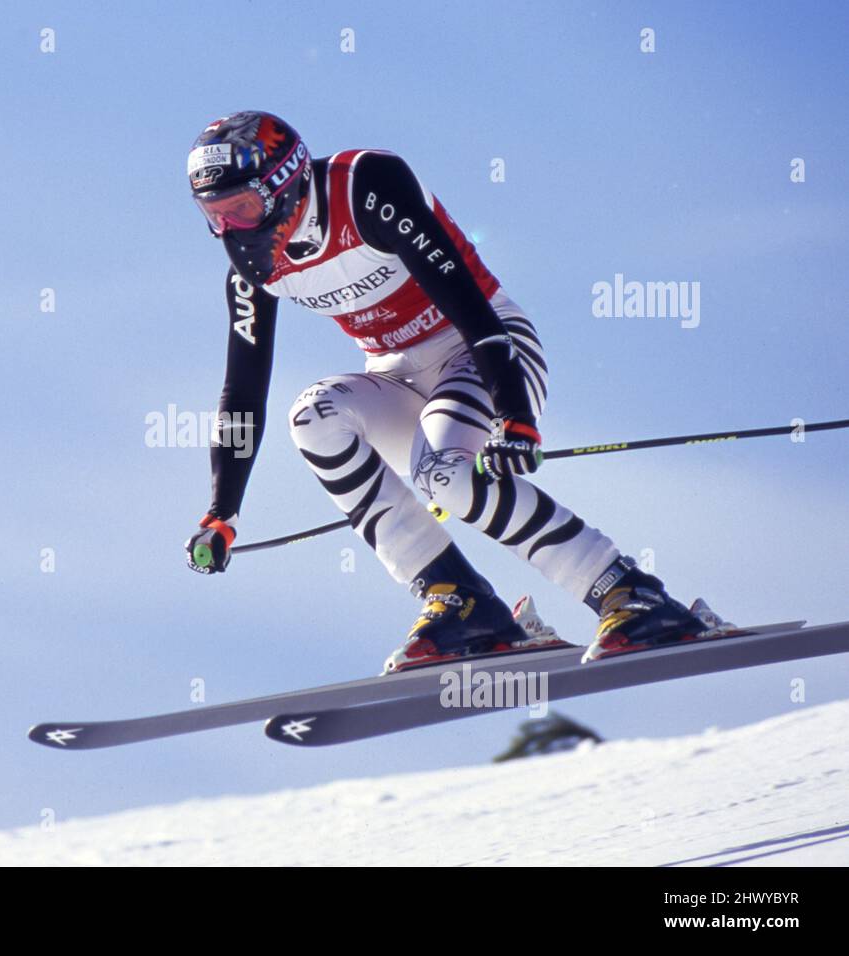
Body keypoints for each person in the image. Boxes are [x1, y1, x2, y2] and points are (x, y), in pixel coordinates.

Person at [182, 111, 711, 671]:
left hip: (482, 346)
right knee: (312, 416)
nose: (232, 230)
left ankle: (628, 591)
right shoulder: (251, 267)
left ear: (284, 183)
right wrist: (222, 512)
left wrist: (516, 415)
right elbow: (242, 391)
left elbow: (467, 304)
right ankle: (460, 601)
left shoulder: (367, 186)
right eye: (214, 217)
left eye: (240, 209)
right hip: (395, 374)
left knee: (445, 476)